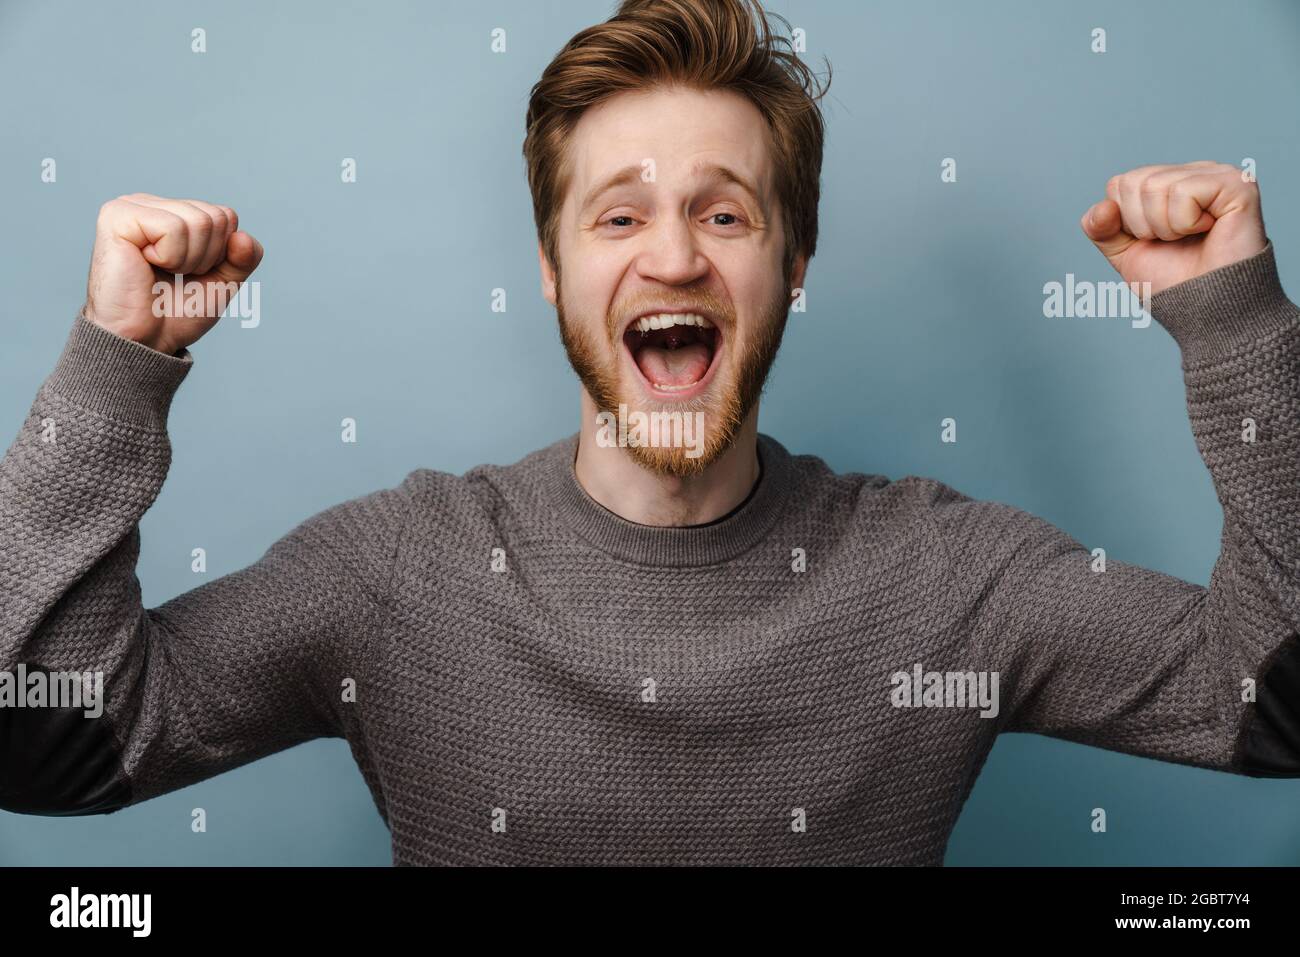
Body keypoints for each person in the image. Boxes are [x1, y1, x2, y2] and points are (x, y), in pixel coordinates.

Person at [2, 0, 1298, 866]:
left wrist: (1236, 325)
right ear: (554, 270)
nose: (673, 254)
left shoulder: (946, 576)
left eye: (726, 215)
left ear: (793, 263)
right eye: (618, 217)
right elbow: (47, 744)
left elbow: (1277, 706)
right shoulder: (398, 569)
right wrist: (118, 368)